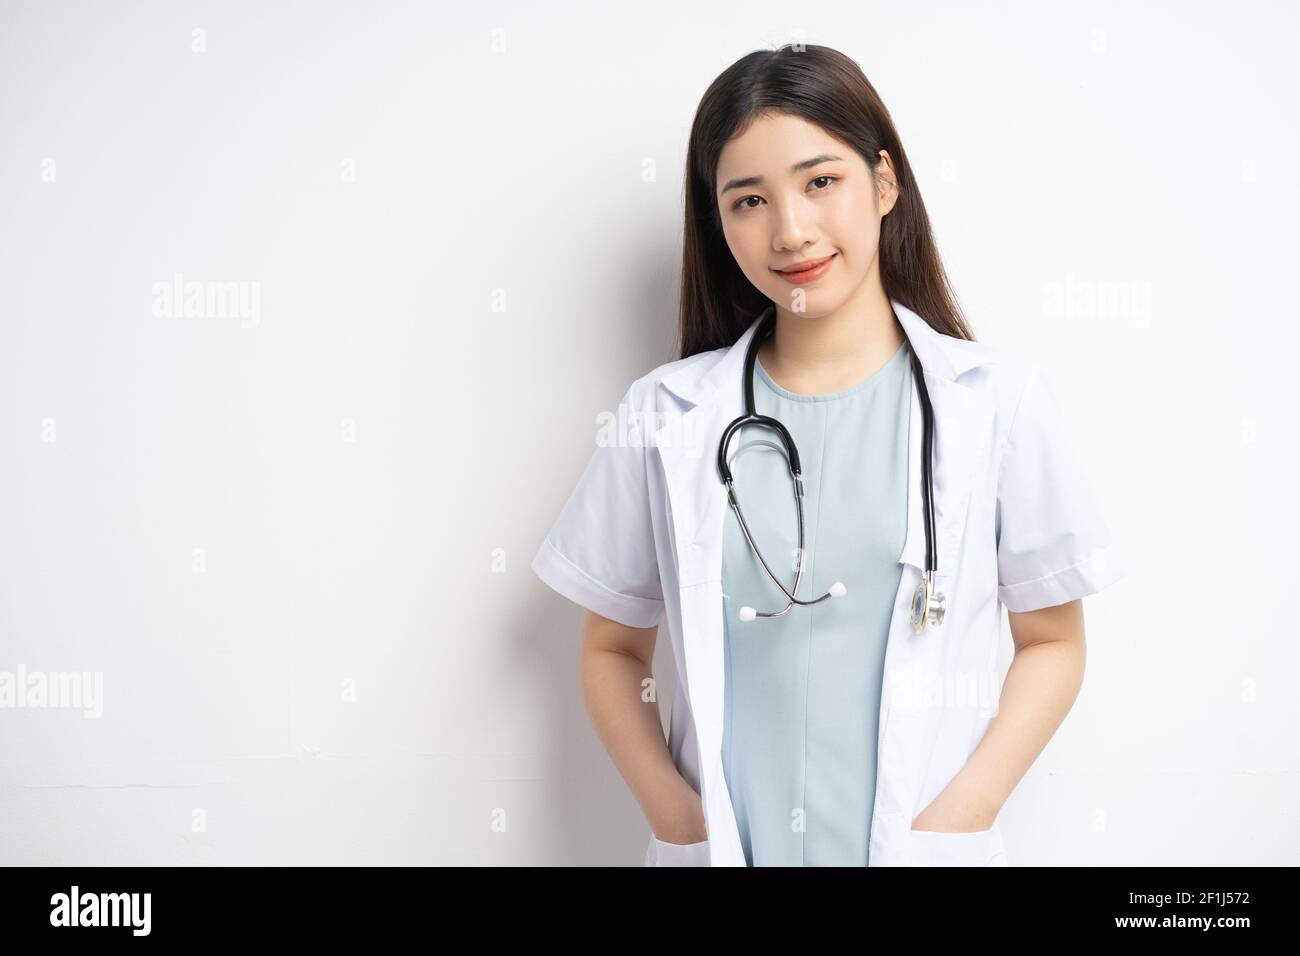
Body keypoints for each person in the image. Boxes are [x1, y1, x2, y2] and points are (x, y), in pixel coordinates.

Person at [531, 44, 1125, 866]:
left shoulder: (995, 403)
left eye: (820, 181)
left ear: (884, 183)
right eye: (748, 200)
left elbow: (1054, 642)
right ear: (718, 222)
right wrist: (681, 822)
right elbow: (611, 650)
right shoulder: (667, 415)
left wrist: (955, 821)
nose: (791, 230)